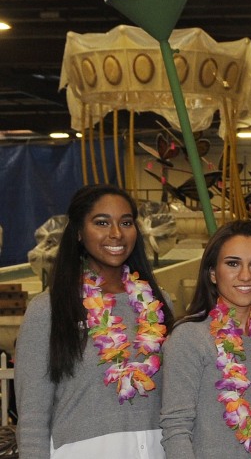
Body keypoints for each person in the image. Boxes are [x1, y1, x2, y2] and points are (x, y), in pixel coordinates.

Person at [16, 184, 174, 459]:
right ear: (79, 232)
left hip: (158, 449)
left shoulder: (160, 303)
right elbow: (32, 418)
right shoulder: (49, 309)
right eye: (102, 222)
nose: (116, 233)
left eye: (126, 222)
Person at [160, 220, 251, 458]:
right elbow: (176, 428)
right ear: (213, 274)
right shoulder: (190, 337)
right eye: (233, 263)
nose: (245, 275)